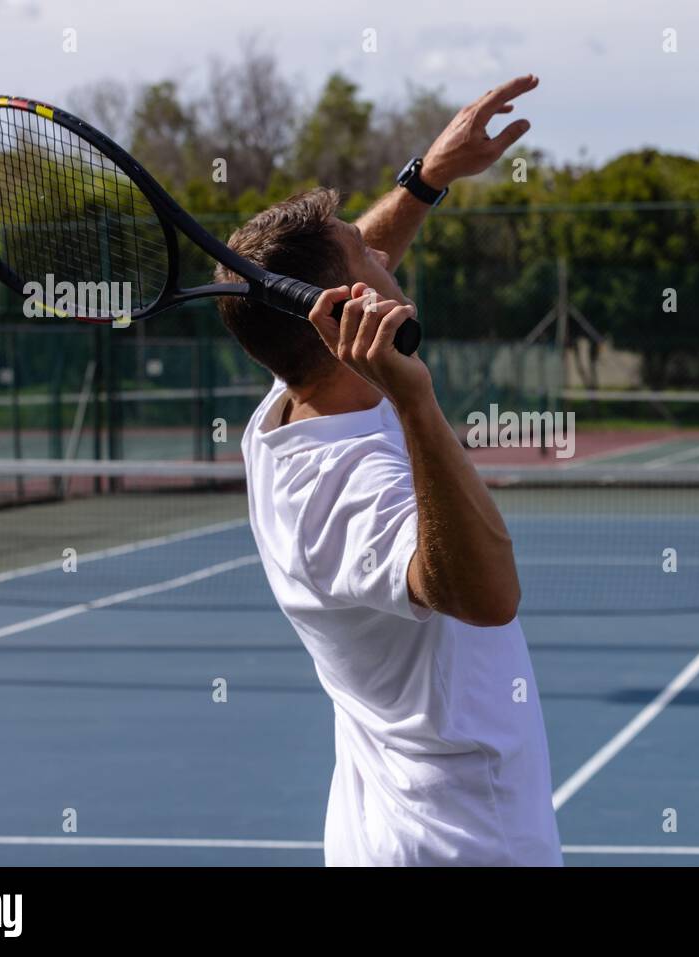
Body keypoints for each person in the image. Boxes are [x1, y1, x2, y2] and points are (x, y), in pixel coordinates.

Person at [215, 76, 562, 866]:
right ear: (345, 311)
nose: (381, 249)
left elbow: (339, 279)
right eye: (363, 255)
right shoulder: (339, 491)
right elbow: (488, 594)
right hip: (459, 843)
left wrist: (425, 179)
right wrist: (418, 405)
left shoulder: (292, 402)